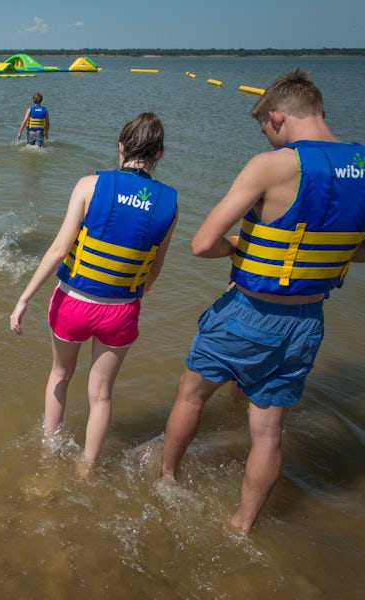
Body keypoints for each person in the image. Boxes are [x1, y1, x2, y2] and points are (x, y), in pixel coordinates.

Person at [160, 69, 365, 534]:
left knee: (191, 394)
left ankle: (166, 479)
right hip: (307, 320)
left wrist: (242, 245)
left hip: (248, 311)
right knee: (269, 432)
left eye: (266, 131)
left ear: (276, 118)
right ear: (320, 110)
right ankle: (242, 525)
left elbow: (202, 244)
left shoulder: (274, 166)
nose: (270, 140)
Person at [9, 113, 178, 469]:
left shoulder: (89, 185)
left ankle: (49, 451)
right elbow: (155, 268)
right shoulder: (169, 203)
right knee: (101, 395)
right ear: (159, 154)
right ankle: (87, 468)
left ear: (121, 146)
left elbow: (59, 249)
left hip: (74, 303)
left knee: (60, 374)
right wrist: (131, 298)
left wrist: (23, 299)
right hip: (122, 310)